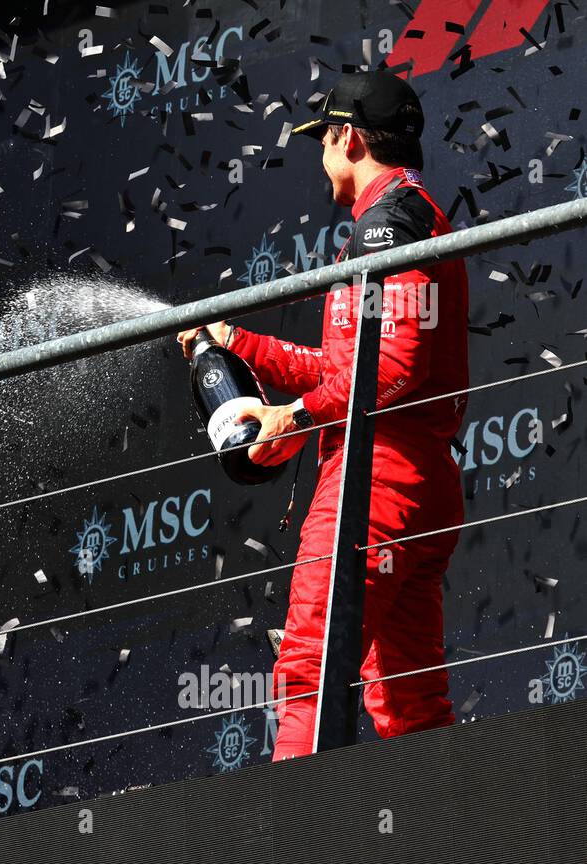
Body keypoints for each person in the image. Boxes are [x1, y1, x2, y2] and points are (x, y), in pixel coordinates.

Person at [178, 72, 469, 760]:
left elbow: (392, 368)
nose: (320, 156)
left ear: (347, 137)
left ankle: (297, 822)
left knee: (310, 666)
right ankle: (455, 820)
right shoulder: (398, 215)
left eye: (322, 140)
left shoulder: (390, 222)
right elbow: (354, 367)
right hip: (412, 481)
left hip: (376, 482)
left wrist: (296, 417)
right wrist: (239, 343)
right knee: (406, 698)